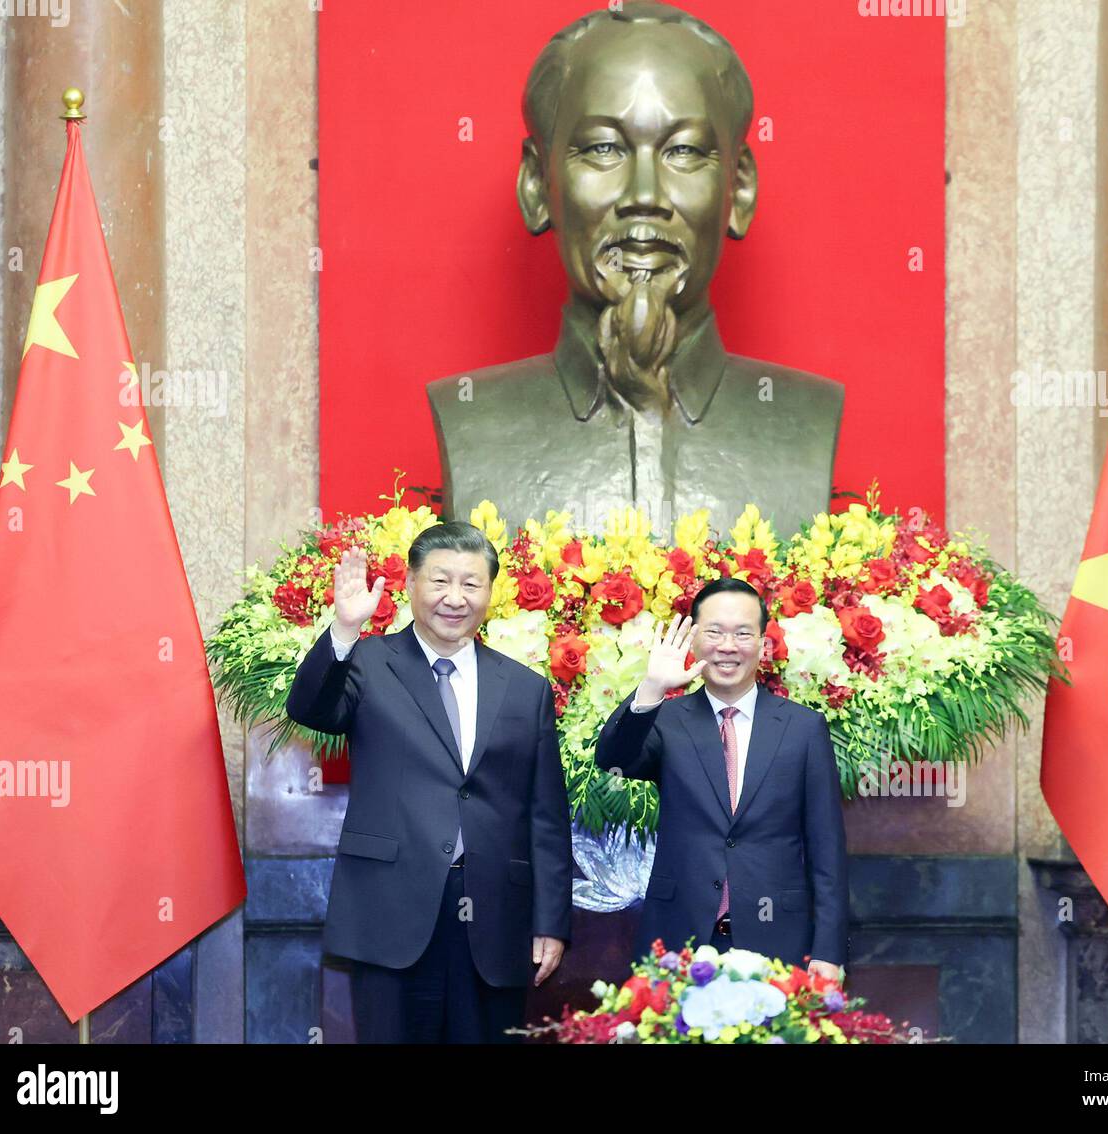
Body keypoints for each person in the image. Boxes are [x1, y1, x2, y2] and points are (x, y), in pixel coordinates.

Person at [428, 2, 844, 536]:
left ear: (738, 189)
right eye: (604, 149)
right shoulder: (471, 419)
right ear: (537, 185)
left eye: (685, 151)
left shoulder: (806, 419)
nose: (644, 196)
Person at [285, 521, 572, 1043]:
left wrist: (551, 920)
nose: (454, 598)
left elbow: (546, 813)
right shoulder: (370, 662)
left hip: (495, 916)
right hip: (389, 908)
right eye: (440, 581)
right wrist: (344, 632)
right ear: (412, 585)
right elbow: (311, 709)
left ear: (491, 592)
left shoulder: (525, 688)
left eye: (471, 583)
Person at [596, 577, 848, 980]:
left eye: (742, 633)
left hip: (777, 938)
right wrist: (651, 687)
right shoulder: (666, 720)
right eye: (714, 632)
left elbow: (827, 850)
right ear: (694, 640)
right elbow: (614, 761)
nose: (727, 646)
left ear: (764, 644)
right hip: (677, 936)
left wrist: (829, 952)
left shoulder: (803, 728)